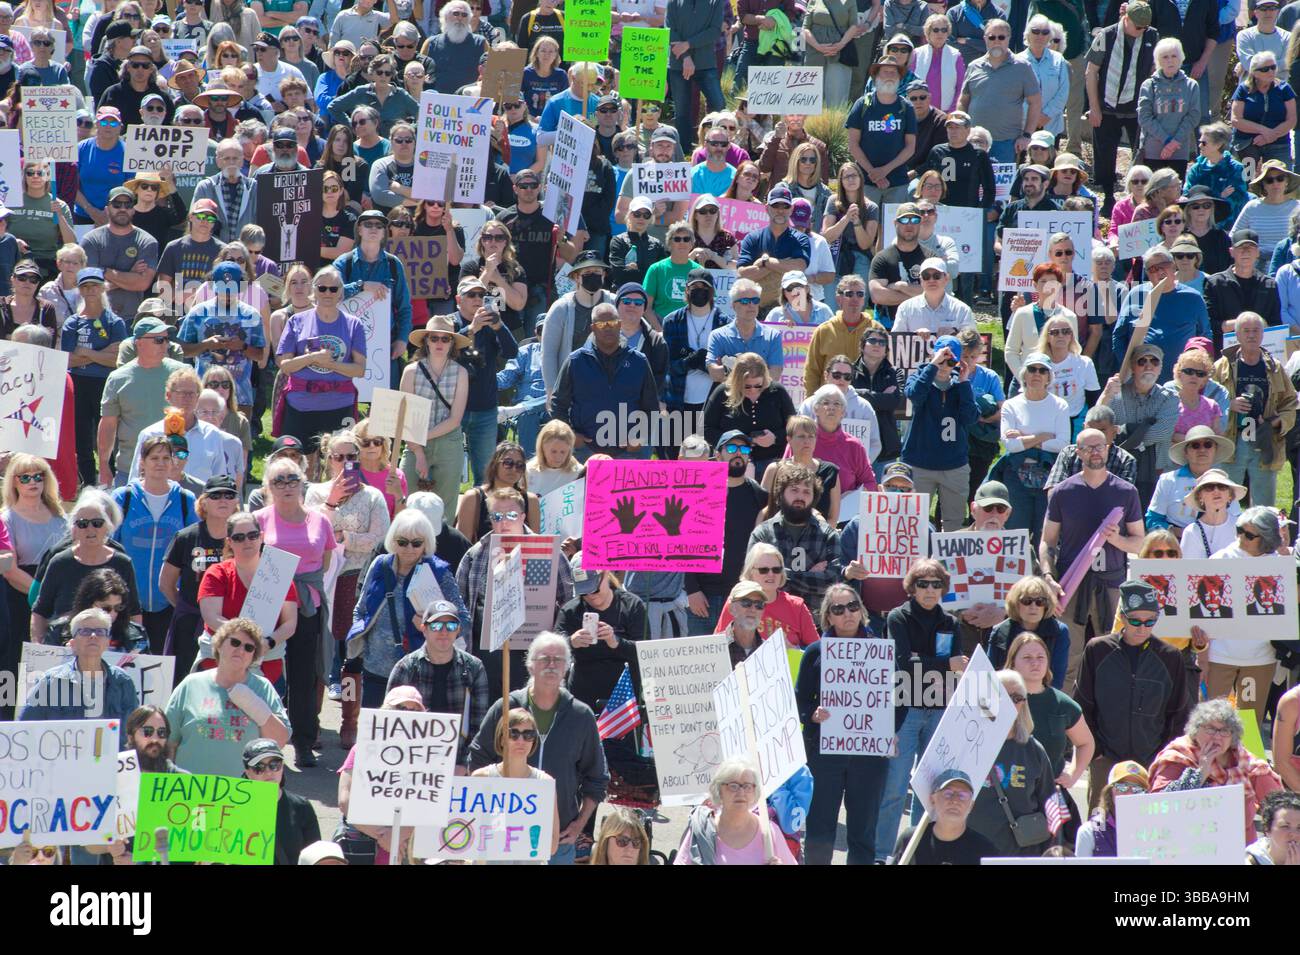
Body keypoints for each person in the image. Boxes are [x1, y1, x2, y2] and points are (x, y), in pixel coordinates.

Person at [469, 632, 609, 864]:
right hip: (503, 836)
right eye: (544, 659)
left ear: (567, 668)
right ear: (530, 665)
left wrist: (578, 825)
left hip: (558, 841)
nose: (551, 665)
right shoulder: (506, 707)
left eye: (558, 660)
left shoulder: (581, 716)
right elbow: (478, 758)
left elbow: (597, 778)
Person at [1038, 428, 1146, 690]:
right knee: (1067, 658)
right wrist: (1049, 578)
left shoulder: (1126, 491)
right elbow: (1047, 541)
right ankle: (1063, 722)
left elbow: (1139, 541)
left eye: (1099, 446)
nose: (1095, 452)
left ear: (1109, 448)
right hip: (1071, 584)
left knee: (1113, 655)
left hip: (1111, 584)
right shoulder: (1063, 491)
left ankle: (1107, 721)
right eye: (1088, 448)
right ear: (1078, 453)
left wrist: (1115, 540)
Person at [797, 583, 896, 864]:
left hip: (869, 754)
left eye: (853, 606)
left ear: (862, 611)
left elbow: (900, 699)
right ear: (828, 617)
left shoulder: (882, 652)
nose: (847, 614)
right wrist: (812, 715)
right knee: (819, 828)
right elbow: (800, 700)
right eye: (838, 609)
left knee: (863, 833)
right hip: (825, 753)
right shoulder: (816, 652)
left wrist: (891, 731)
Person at [1076, 578, 1190, 810]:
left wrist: (1165, 756)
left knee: (1148, 825)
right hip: (1105, 758)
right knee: (1101, 824)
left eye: (1150, 621)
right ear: (1123, 618)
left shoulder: (1170, 657)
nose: (1142, 627)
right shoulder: (1097, 650)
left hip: (1151, 758)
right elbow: (1083, 704)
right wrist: (1095, 750)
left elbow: (1179, 713)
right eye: (1135, 620)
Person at [165, 617, 291, 776]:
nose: (241, 650)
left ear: (254, 656)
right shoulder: (191, 684)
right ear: (219, 644)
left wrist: (252, 703)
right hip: (189, 791)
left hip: (242, 793)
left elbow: (279, 740)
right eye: (235, 642)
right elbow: (169, 742)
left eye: (249, 647)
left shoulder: (263, 688)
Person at [1150, 698, 1283, 844]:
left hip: (1240, 851)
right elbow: (1159, 805)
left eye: (1224, 730)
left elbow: (1280, 805)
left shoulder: (1244, 760)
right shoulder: (1177, 757)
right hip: (1192, 847)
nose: (1217, 736)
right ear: (1195, 729)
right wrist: (1200, 774)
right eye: (1211, 729)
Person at [273, 265, 367, 473]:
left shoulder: (354, 325)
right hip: (301, 405)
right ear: (313, 290)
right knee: (299, 466)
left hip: (339, 405)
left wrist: (331, 365)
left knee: (341, 465)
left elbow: (359, 369)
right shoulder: (296, 321)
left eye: (333, 289)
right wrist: (312, 358)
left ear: (341, 293)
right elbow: (285, 365)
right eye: (322, 288)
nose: (327, 293)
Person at [552, 302, 660, 460]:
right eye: (602, 324)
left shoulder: (639, 361)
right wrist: (570, 435)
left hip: (628, 452)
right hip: (584, 451)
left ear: (620, 325)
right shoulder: (576, 361)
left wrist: (640, 436)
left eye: (612, 323)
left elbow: (652, 407)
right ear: (593, 328)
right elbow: (557, 403)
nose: (608, 328)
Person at [387, 600, 488, 769]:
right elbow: (389, 721)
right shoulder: (405, 668)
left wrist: (464, 765)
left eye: (450, 626)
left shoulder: (474, 668)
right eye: (436, 626)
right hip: (411, 762)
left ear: (458, 630)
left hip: (459, 763)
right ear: (423, 628)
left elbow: (479, 725)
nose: (443, 632)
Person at [30, 490, 140, 643]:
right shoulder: (59, 562)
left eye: (97, 523)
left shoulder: (122, 563)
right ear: (74, 529)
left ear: (108, 527)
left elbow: (134, 612)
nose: (90, 529)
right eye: (82, 524)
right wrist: (39, 645)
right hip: (65, 646)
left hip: (112, 647)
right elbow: (40, 611)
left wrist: (136, 645)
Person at [1212, 311, 1298, 506]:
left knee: (1264, 505)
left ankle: (1261, 536)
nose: (1251, 335)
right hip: (1230, 440)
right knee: (1226, 501)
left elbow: (1291, 402)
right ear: (1237, 335)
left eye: (1256, 330)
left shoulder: (1275, 368)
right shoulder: (1223, 366)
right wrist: (1229, 404)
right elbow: (1205, 400)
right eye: (1246, 330)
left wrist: (1275, 422)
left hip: (1264, 441)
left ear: (1263, 334)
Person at [19, 607, 138, 745]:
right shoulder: (50, 682)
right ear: (73, 643)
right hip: (63, 763)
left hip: (111, 763)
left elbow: (134, 735)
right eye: (85, 631)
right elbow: (25, 729)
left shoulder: (123, 681)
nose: (93, 636)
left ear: (107, 642)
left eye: (100, 632)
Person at [1084, 2, 1158, 214]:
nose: (1141, 31)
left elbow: (1154, 70)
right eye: (1137, 27)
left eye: (1144, 27)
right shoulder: (1106, 36)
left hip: (1136, 107)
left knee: (1140, 153)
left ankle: (1140, 198)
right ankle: (1108, 196)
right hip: (1107, 105)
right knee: (1106, 155)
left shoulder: (1152, 37)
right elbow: (1091, 72)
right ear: (1126, 19)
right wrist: (1094, 108)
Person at [900, 335, 977, 531]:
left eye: (950, 361)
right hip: (919, 463)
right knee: (912, 521)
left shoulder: (961, 386)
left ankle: (947, 562)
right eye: (941, 359)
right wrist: (932, 367)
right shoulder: (918, 377)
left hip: (953, 465)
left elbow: (971, 418)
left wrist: (964, 383)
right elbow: (916, 396)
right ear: (933, 356)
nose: (944, 365)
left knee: (954, 523)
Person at [749, 461, 842, 623]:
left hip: (815, 622)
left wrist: (778, 574)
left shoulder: (828, 535)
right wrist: (810, 575)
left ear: (814, 498)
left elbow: (832, 581)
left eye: (807, 492)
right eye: (794, 490)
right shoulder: (762, 533)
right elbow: (753, 578)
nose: (800, 497)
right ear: (781, 495)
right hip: (768, 621)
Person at [1008, 632, 1095, 800]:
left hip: (1048, 795)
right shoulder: (998, 700)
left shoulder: (1063, 704)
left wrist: (1073, 774)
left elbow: (1086, 743)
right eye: (1027, 657)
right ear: (1012, 663)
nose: (1035, 663)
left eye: (1041, 657)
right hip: (1006, 794)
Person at [469, 705, 562, 862]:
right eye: (514, 733)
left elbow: (552, 846)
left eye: (528, 734)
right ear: (501, 738)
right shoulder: (481, 778)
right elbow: (469, 834)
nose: (521, 740)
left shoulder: (544, 783)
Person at [398, 316, 469, 511]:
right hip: (413, 443)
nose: (439, 343)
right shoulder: (410, 371)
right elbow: (405, 417)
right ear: (426, 341)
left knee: (445, 507)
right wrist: (419, 450)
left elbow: (455, 419)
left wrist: (423, 437)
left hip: (449, 442)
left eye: (445, 339)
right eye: (434, 338)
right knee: (407, 503)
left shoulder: (461, 373)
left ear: (452, 343)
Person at [675, 756, 797, 864]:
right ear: (719, 790)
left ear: (755, 791)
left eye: (747, 786)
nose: (741, 792)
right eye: (733, 786)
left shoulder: (769, 832)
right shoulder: (702, 830)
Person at [999, 352, 1070, 535]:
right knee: (1015, 532)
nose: (1037, 374)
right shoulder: (1011, 405)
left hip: (1049, 476)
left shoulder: (1060, 405)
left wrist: (1025, 436)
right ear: (1024, 374)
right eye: (1032, 369)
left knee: (1044, 533)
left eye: (1042, 370)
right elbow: (1011, 445)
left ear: (1049, 377)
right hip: (1016, 476)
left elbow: (1062, 444)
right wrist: (1043, 436)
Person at [957, 18, 1042, 163]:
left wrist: (1027, 135)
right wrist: (962, 130)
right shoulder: (973, 66)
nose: (996, 41)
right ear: (985, 39)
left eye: (1001, 37)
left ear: (1008, 38)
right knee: (972, 184)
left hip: (1007, 143)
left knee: (1001, 186)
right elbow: (963, 101)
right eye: (992, 37)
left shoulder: (1022, 67)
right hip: (974, 141)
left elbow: (1035, 102)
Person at [702, 358, 795, 478]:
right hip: (732, 460)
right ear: (737, 382)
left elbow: (794, 427)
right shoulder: (722, 392)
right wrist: (735, 441)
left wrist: (775, 438)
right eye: (747, 386)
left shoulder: (777, 391)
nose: (753, 390)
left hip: (772, 462)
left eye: (758, 386)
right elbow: (705, 428)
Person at [846, 55, 916, 208]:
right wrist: (873, 173)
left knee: (895, 229)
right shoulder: (862, 104)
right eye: (885, 72)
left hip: (897, 181)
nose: (890, 76)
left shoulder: (906, 107)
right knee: (867, 227)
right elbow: (853, 144)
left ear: (899, 77)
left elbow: (910, 147)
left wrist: (884, 171)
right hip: (866, 180)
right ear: (876, 76)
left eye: (894, 72)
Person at [240, 737, 321, 866]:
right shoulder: (231, 809)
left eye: (274, 765)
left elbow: (315, 857)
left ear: (282, 767)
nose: (268, 772)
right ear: (248, 773)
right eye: (259, 767)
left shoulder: (301, 807)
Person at [892, 769, 995, 864]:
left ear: (971, 805)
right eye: (948, 793)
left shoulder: (985, 851)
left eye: (962, 795)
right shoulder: (910, 840)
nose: (955, 800)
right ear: (933, 799)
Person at [736, 183, 811, 312]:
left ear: (791, 209)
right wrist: (781, 266)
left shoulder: (801, 238)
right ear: (766, 208)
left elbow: (800, 267)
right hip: (757, 307)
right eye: (775, 205)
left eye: (785, 206)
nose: (780, 211)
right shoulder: (752, 238)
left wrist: (766, 262)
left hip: (795, 307)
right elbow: (743, 274)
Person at [989, 577, 1070, 685]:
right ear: (1016, 604)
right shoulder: (999, 631)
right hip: (1007, 694)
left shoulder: (1059, 631)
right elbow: (990, 675)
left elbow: (1057, 680)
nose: (1033, 606)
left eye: (1040, 601)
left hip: (1044, 695)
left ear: (1046, 605)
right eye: (1026, 601)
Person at [867, 204, 928, 329]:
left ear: (920, 223)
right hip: (888, 326)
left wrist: (900, 286)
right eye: (904, 220)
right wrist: (919, 297)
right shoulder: (882, 258)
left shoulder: (930, 258)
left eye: (915, 220)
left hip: (923, 328)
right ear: (895, 223)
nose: (909, 225)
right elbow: (877, 295)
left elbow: (936, 291)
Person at [1075, 760, 1149, 857]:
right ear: (1109, 792)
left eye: (1137, 790)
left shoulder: (1154, 832)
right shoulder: (1089, 832)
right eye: (1122, 787)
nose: (1129, 794)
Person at [890, 257, 975, 336]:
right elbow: (895, 343)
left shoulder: (962, 310)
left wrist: (955, 335)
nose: (931, 280)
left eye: (936, 276)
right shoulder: (905, 308)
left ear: (946, 278)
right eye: (926, 276)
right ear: (921, 280)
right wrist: (914, 337)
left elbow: (974, 346)